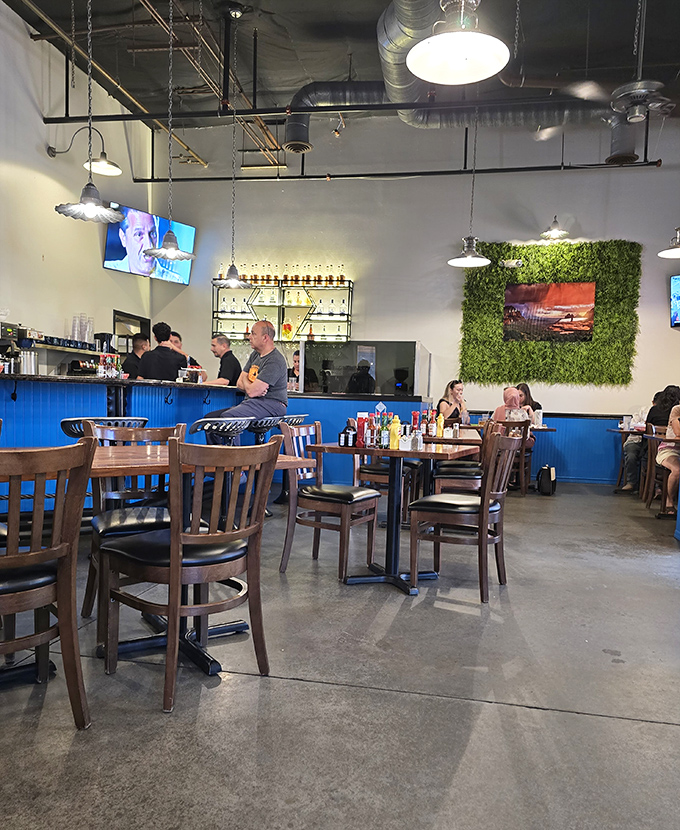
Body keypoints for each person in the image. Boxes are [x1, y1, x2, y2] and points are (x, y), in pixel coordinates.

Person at [203, 320, 288, 425]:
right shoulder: (255, 355)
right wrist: (249, 385)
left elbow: (252, 392)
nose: (249, 337)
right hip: (252, 403)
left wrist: (246, 381)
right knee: (210, 419)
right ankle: (219, 443)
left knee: (229, 417)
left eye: (253, 333)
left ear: (265, 338)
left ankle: (232, 442)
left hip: (272, 404)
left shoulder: (274, 360)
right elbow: (240, 383)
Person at [622, 385, 680, 494]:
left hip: (651, 448)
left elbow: (647, 428)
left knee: (639, 453)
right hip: (669, 448)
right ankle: (662, 490)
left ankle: (648, 487)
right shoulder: (676, 412)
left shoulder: (654, 409)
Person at [104, 207, 159, 277]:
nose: (149, 246)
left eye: (153, 234)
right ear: (123, 238)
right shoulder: (104, 273)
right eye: (139, 234)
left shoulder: (175, 280)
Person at [656, 399, 680, 516]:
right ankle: (669, 502)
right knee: (677, 470)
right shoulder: (677, 410)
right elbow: (678, 432)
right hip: (669, 450)